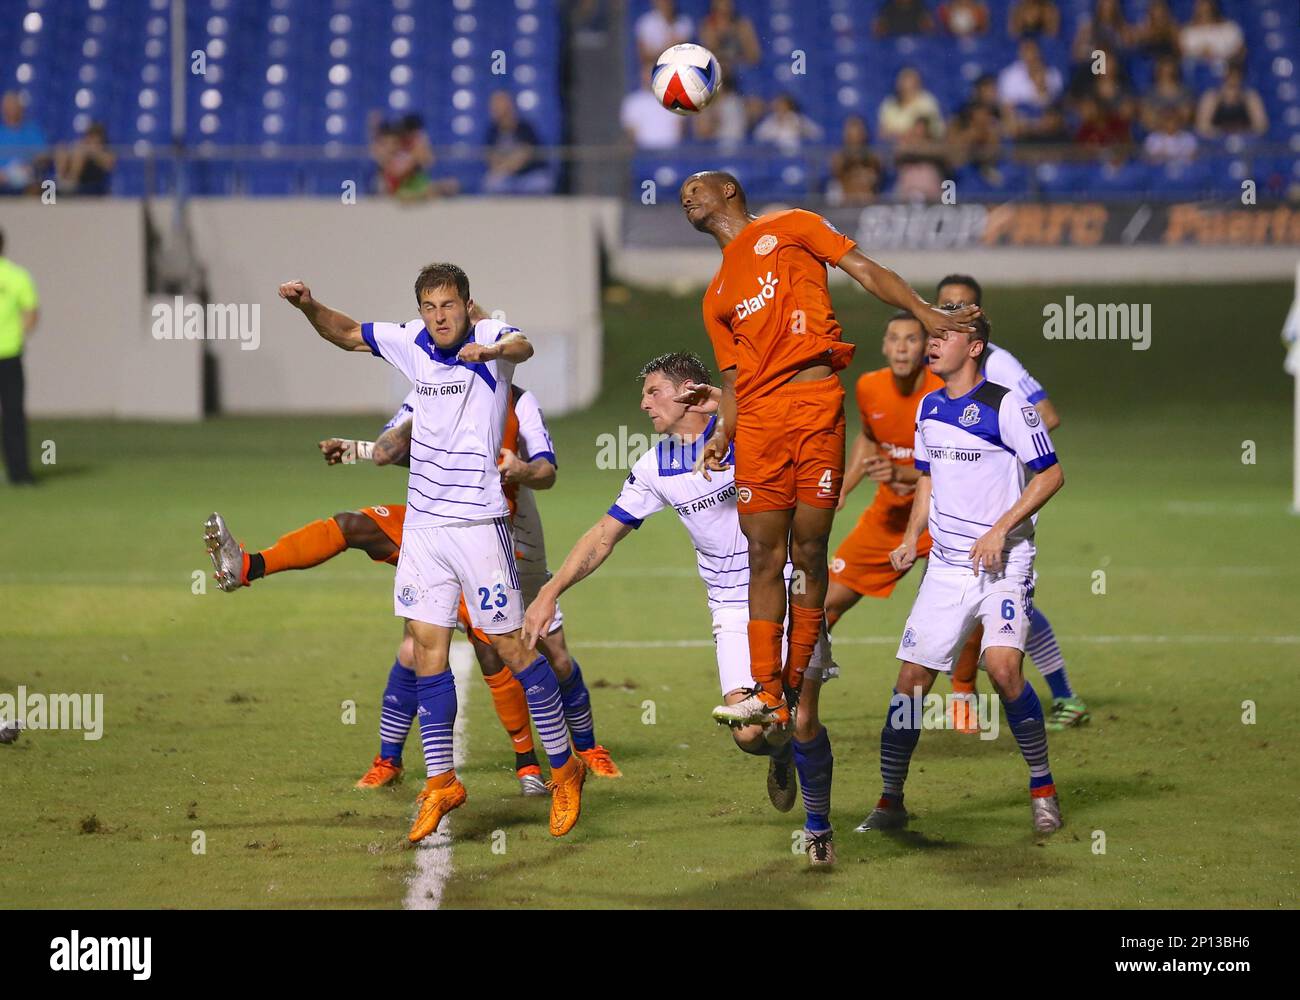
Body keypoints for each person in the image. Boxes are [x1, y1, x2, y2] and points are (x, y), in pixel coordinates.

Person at [276, 263, 588, 841]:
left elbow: (526, 343)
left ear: (467, 306)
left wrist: (486, 350)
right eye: (430, 306)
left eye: (449, 305)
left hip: (479, 527)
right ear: (420, 310)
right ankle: (442, 781)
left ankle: (565, 769)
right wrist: (308, 307)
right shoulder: (409, 342)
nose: (440, 316)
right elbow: (347, 333)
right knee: (426, 651)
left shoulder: (492, 340)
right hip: (424, 529)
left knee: (512, 648)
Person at [677, 171, 979, 732]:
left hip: (815, 405)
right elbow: (735, 378)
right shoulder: (715, 296)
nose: (687, 196)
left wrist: (924, 312)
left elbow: (865, 269)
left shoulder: (793, 225)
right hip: (762, 424)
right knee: (764, 557)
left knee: (811, 551)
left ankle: (793, 682)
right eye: (681, 196)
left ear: (731, 191)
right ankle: (767, 692)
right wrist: (724, 431)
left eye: (699, 187)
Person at [524, 352, 841, 866]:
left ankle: (819, 827)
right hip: (734, 609)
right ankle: (779, 755)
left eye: (653, 392)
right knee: (750, 733)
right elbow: (605, 535)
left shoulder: (749, 433)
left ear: (688, 391)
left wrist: (722, 401)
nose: (644, 402)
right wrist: (551, 589)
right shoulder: (655, 466)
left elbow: (792, 411)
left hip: (790, 588)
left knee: (803, 717)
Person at [857, 305, 1066, 836]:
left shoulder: (1007, 405)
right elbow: (925, 480)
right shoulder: (928, 406)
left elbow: (1051, 474)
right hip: (947, 567)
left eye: (945, 336)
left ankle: (1042, 787)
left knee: (1002, 668)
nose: (932, 343)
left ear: (973, 348)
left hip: (1003, 564)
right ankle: (889, 802)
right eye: (932, 334)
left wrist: (1000, 528)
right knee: (909, 682)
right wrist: (910, 538)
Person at [934, 275, 1088, 731]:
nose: (950, 313)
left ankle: (976, 701)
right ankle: (1049, 695)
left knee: (985, 598)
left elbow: (1047, 415)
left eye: (961, 307)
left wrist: (996, 456)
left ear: (978, 318)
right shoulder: (938, 361)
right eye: (943, 305)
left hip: (994, 509)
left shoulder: (999, 365)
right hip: (952, 506)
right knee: (985, 600)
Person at [0, 228, 37, 486]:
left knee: (13, 414)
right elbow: (31, 313)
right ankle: (19, 473)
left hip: (10, 354)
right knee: (13, 415)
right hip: (10, 354)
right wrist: (18, 333)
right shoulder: (17, 276)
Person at [483, 91, 552, 195]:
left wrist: (504, 167)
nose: (495, 109)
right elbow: (492, 158)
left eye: (499, 105)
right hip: (506, 178)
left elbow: (523, 156)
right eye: (493, 106)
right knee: (490, 183)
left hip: (528, 176)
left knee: (542, 182)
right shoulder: (492, 131)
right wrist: (500, 169)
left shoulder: (525, 128)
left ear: (509, 106)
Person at [1195, 64, 1268, 139]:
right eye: (1230, 85)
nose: (1232, 91)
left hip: (1244, 142)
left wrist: (1241, 135)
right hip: (1216, 143)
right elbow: (1202, 127)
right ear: (1223, 80)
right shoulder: (1211, 97)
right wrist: (1221, 135)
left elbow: (1261, 126)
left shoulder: (1250, 97)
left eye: (1236, 84)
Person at [622, 64, 686, 150]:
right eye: (646, 73)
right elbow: (631, 131)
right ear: (641, 75)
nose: (649, 77)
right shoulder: (633, 101)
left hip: (670, 151)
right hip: (645, 152)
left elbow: (679, 127)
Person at [826, 116, 883, 206]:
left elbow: (877, 171)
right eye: (851, 130)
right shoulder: (839, 157)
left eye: (859, 130)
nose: (855, 134)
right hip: (844, 199)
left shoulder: (873, 156)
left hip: (867, 199)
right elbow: (837, 171)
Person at [877, 67, 945, 143]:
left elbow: (936, 130)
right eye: (903, 80)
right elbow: (882, 133)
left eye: (912, 83)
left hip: (923, 148)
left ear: (918, 84)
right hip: (896, 149)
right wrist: (902, 135)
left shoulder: (927, 101)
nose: (907, 86)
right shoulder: (889, 103)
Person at [0, 92, 48, 196]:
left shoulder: (32, 130)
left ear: (20, 108)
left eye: (14, 106)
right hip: (2, 178)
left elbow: (43, 156)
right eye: (8, 107)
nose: (11, 110)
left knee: (36, 185)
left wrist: (31, 166)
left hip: (27, 177)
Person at [699, 0, 761, 80]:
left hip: (739, 70)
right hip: (719, 72)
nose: (724, 5)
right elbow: (707, 56)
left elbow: (755, 56)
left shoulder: (742, 25)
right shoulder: (708, 25)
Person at [998, 39, 1063, 110]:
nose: (1030, 54)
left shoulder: (1053, 74)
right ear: (1019, 53)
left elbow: (1052, 108)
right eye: (1026, 50)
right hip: (1020, 119)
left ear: (1039, 51)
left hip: (1045, 117)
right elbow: (1007, 110)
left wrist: (1041, 85)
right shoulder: (1009, 76)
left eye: (1033, 50)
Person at [53, 123, 115, 196]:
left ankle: (71, 183)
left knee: (79, 153)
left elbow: (109, 165)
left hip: (93, 186)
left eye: (94, 136)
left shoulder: (106, 151)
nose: (91, 139)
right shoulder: (81, 146)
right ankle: (60, 180)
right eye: (89, 136)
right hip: (79, 183)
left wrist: (93, 152)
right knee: (62, 149)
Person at [1179, 0, 1244, 69]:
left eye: (1207, 3)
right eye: (1201, 3)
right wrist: (1200, 56)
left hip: (1225, 74)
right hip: (1195, 75)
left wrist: (1218, 56)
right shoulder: (1187, 32)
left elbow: (1241, 53)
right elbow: (1182, 58)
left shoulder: (1229, 29)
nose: (1204, 8)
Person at [753, 94, 824, 155]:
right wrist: (774, 132)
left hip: (797, 154)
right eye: (778, 105)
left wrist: (802, 130)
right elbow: (758, 136)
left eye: (782, 105)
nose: (779, 107)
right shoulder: (771, 120)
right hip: (775, 154)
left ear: (788, 106)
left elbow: (817, 133)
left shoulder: (797, 118)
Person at [636, 0, 694, 67]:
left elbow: (687, 52)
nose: (665, 3)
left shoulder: (684, 22)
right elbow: (644, 55)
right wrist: (668, 49)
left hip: (680, 67)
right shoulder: (645, 23)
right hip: (655, 67)